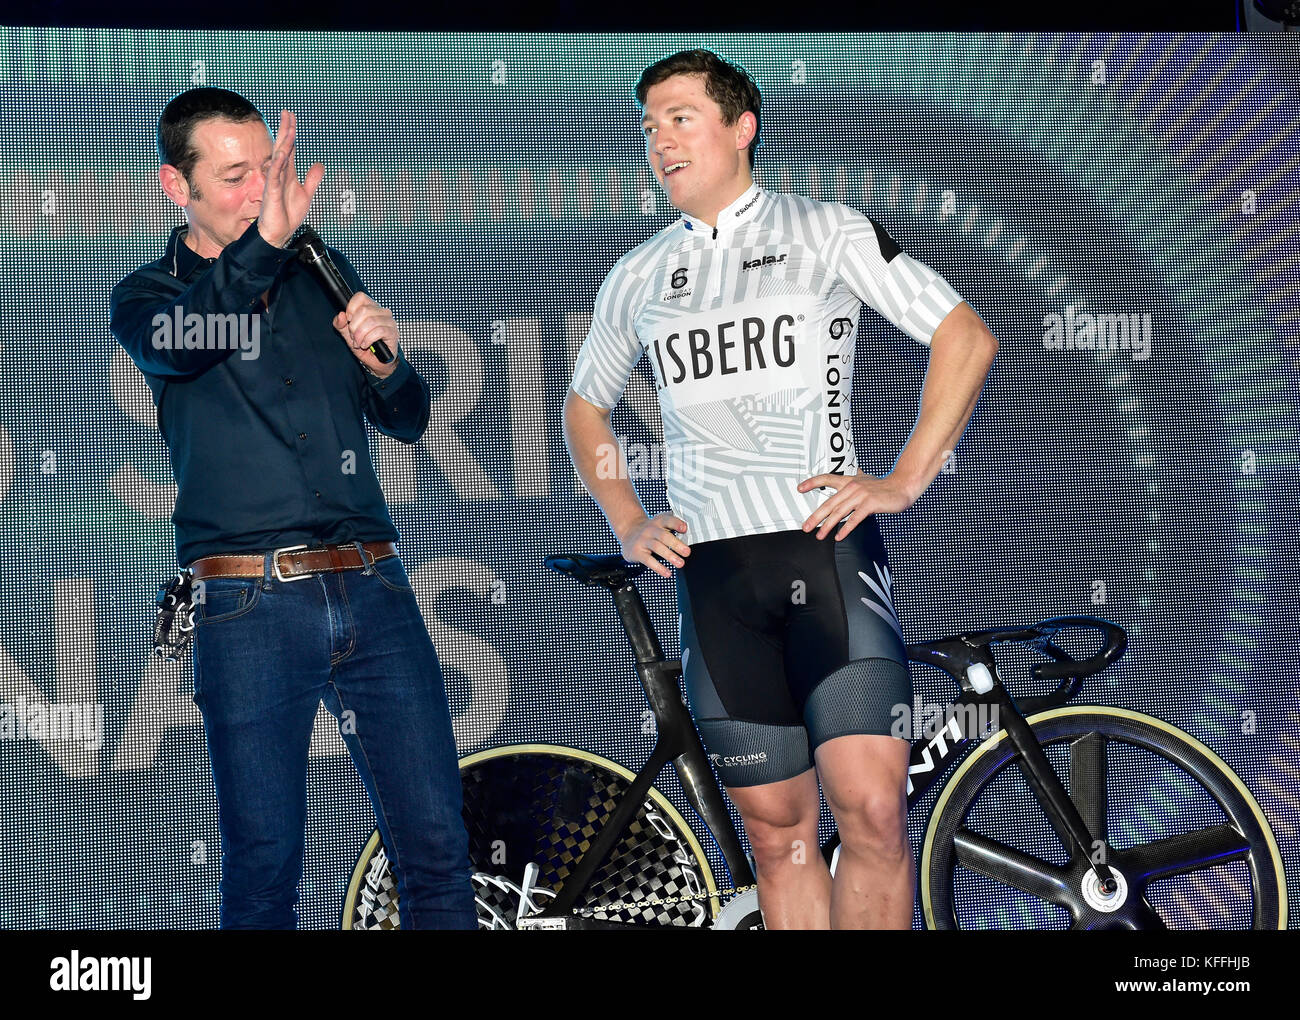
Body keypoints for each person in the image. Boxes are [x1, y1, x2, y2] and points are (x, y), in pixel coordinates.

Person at [564, 50, 998, 929]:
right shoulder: (639, 273)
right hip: (715, 579)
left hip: (825, 556)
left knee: (872, 810)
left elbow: (965, 336)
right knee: (776, 836)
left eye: (680, 117)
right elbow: (584, 411)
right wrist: (629, 517)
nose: (658, 139)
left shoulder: (824, 230)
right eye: (649, 126)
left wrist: (905, 477)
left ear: (740, 127)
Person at [110, 87, 477, 930]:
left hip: (375, 589)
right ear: (178, 187)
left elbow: (409, 417)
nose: (259, 194)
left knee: (435, 847)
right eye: (236, 176)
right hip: (250, 605)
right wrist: (270, 244)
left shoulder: (318, 269)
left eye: (267, 172)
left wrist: (387, 365)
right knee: (266, 867)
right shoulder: (147, 296)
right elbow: (185, 346)